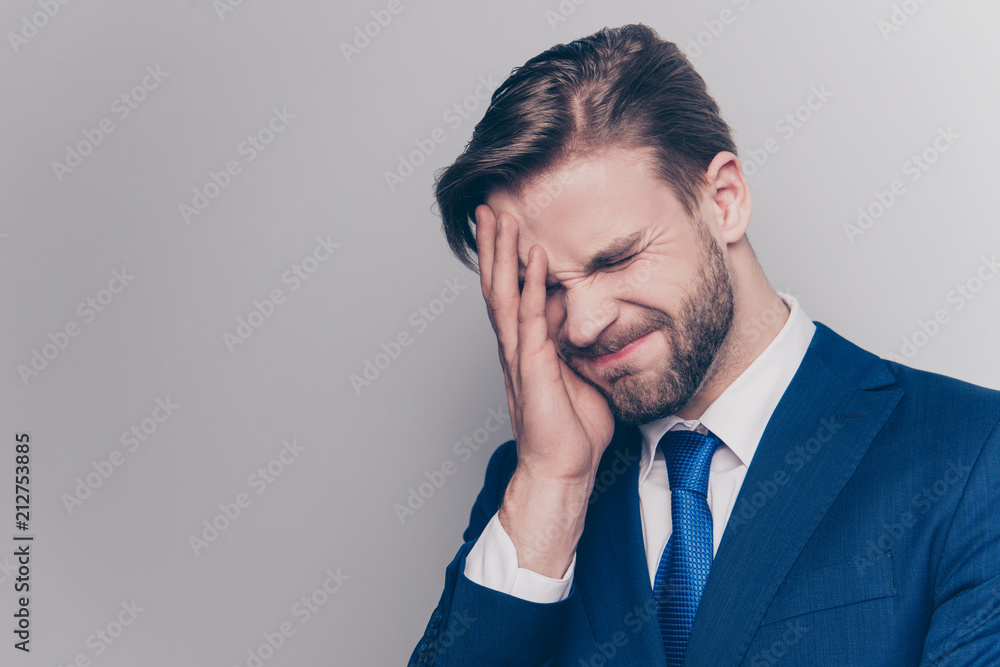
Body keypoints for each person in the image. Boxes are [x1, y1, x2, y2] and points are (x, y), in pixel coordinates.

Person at [408, 24, 1000, 666]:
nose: (581, 324)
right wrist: (552, 484)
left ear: (724, 201)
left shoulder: (971, 451)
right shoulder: (526, 486)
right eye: (543, 286)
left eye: (615, 260)